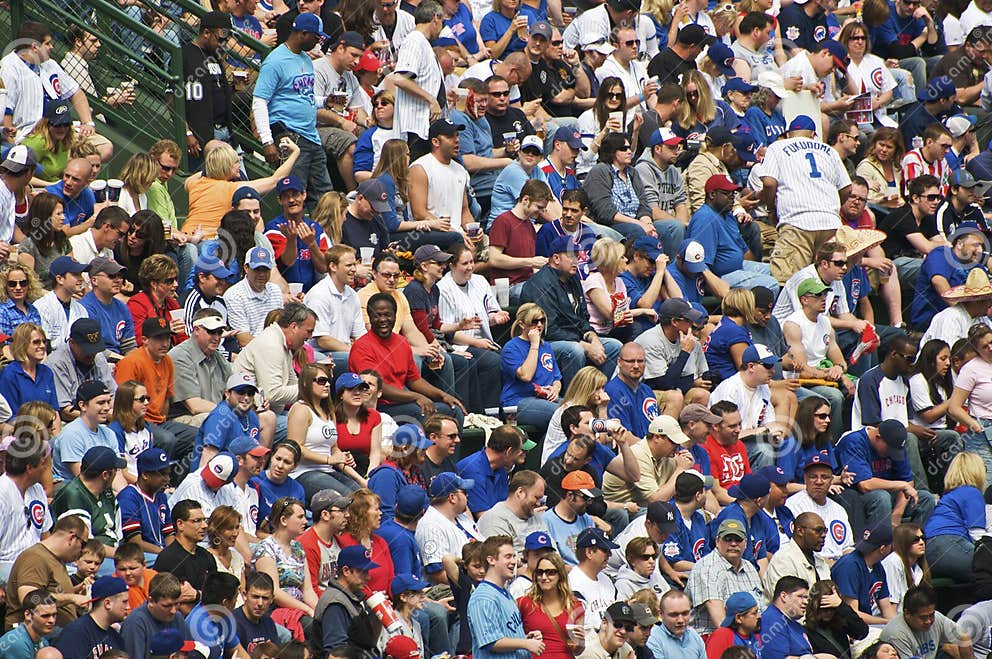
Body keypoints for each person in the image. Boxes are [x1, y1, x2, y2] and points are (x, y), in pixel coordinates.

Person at [520, 235, 622, 389]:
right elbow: (549, 330)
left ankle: (595, 391)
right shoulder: (540, 284)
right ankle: (574, 400)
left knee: (614, 346)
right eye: (571, 256)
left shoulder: (572, 279)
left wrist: (593, 338)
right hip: (543, 342)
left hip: (573, 337)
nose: (576, 260)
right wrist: (585, 346)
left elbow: (582, 318)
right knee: (575, 351)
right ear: (556, 259)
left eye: (577, 255)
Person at [350, 293, 466, 426]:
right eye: (377, 315)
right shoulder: (362, 347)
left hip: (403, 403)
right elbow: (375, 387)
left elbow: (414, 381)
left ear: (395, 316)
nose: (383, 319)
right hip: (377, 406)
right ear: (370, 318)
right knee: (422, 412)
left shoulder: (402, 342)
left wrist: (442, 395)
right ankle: (424, 447)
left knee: (454, 411)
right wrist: (416, 396)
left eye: (387, 314)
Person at [761, 115, 852, 283]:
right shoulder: (829, 150)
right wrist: (831, 207)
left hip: (797, 223)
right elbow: (847, 188)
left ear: (788, 134)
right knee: (825, 283)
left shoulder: (778, 146)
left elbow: (768, 182)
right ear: (813, 135)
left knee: (789, 284)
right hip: (830, 224)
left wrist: (771, 208)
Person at [252, 14, 332, 204]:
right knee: (294, 194)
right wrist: (267, 141)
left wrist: (325, 102)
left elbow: (302, 95)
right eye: (316, 37)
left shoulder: (305, 59)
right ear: (303, 33)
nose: (318, 42)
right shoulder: (275, 61)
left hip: (310, 135)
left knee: (324, 196)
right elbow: (259, 101)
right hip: (290, 135)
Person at [687, 175, 778, 292]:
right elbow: (701, 266)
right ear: (712, 194)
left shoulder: (728, 215)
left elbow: (745, 251)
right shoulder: (705, 218)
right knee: (771, 284)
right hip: (720, 277)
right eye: (726, 194)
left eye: (733, 194)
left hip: (739, 267)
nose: (731, 198)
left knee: (778, 271)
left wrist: (753, 272)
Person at [5, 514, 89, 629]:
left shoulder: (56, 559)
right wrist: (72, 598)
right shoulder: (35, 558)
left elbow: (50, 593)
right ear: (72, 538)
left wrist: (76, 593)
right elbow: (30, 599)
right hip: (32, 637)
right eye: (83, 544)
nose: (83, 550)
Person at [469, 535, 545, 659]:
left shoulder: (504, 592)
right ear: (491, 560)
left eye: (514, 556)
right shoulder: (483, 598)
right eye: (508, 556)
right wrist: (525, 643)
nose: (514, 561)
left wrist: (525, 639)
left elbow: (504, 635)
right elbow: (490, 642)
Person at [251, 496, 318, 636]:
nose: (305, 522)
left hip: (299, 608)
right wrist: (307, 610)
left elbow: (307, 590)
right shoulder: (266, 548)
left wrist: (319, 611)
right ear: (283, 520)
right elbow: (274, 592)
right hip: (275, 609)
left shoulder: (298, 547)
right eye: (300, 517)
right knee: (313, 628)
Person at [685, 519, 764, 637]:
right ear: (717, 541)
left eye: (738, 539)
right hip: (712, 637)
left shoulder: (749, 567)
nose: (733, 543)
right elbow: (721, 623)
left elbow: (761, 609)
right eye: (728, 539)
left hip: (748, 636)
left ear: (746, 543)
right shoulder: (707, 568)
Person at [924, 451, 986, 581]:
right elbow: (978, 536)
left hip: (929, 551)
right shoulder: (972, 493)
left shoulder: (950, 495)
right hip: (950, 543)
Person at [499, 302, 563, 429]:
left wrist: (555, 389)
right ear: (522, 324)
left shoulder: (546, 346)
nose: (539, 325)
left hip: (545, 399)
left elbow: (557, 378)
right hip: (518, 401)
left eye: (542, 320)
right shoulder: (511, 347)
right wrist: (534, 345)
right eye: (534, 321)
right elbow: (526, 376)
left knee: (578, 411)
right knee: (561, 414)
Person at [313, 544, 382, 657]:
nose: (368, 577)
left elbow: (370, 643)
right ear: (346, 571)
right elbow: (336, 654)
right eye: (363, 571)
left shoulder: (354, 596)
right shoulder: (335, 604)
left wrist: (378, 617)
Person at [786, 455, 857, 562]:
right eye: (813, 477)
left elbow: (847, 548)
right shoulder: (793, 505)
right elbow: (794, 549)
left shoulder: (839, 510)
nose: (819, 482)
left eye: (824, 477)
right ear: (805, 479)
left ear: (831, 480)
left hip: (840, 566)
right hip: (809, 563)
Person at [517, 550, 586, 659]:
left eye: (550, 572)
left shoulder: (575, 605)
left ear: (560, 575)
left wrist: (581, 642)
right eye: (540, 572)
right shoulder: (523, 603)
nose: (544, 577)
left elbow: (577, 651)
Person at [880, 586, 972, 659]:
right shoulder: (896, 634)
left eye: (931, 615)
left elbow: (963, 637)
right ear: (907, 613)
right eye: (923, 617)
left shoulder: (937, 617)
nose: (928, 621)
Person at [948, 325, 992, 475]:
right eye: (985, 347)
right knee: (985, 478)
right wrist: (973, 424)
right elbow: (954, 407)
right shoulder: (971, 369)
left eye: (991, 342)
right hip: (982, 428)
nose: (990, 348)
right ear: (977, 350)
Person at [53, 575, 128, 659]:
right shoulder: (76, 633)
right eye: (124, 602)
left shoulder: (116, 638)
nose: (128, 607)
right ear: (107, 604)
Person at [118, 448, 173, 556]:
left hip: (161, 553)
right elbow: (134, 542)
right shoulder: (128, 497)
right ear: (145, 475)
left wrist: (172, 554)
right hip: (139, 555)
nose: (167, 479)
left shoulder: (161, 496)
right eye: (162, 474)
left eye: (168, 474)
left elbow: (168, 534)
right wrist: (166, 556)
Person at [0, 323, 57, 417]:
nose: (42, 346)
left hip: (48, 427)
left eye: (44, 341)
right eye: (36, 342)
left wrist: (56, 431)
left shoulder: (47, 372)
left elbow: (55, 411)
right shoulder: (10, 374)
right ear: (22, 344)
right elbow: (11, 418)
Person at [760, 576, 819, 659]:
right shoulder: (771, 622)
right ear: (784, 596)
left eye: (806, 598)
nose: (806, 602)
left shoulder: (793, 623)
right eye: (800, 596)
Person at [880, 523, 931, 612]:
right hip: (884, 621)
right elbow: (892, 605)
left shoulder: (918, 568)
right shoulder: (893, 562)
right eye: (916, 539)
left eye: (923, 538)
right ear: (904, 542)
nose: (921, 542)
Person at [644, 591, 705, 659]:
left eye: (685, 613)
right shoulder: (652, 639)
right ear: (661, 614)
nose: (680, 620)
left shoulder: (694, 636)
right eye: (674, 615)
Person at [0, 589, 57, 658]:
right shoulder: (17, 644)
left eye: (54, 615)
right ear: (28, 615)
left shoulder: (42, 641)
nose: (52, 620)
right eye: (45, 616)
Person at [234, 571, 281, 652]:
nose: (260, 603)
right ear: (245, 595)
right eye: (255, 597)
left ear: (272, 599)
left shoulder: (269, 622)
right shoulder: (233, 623)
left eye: (265, 598)